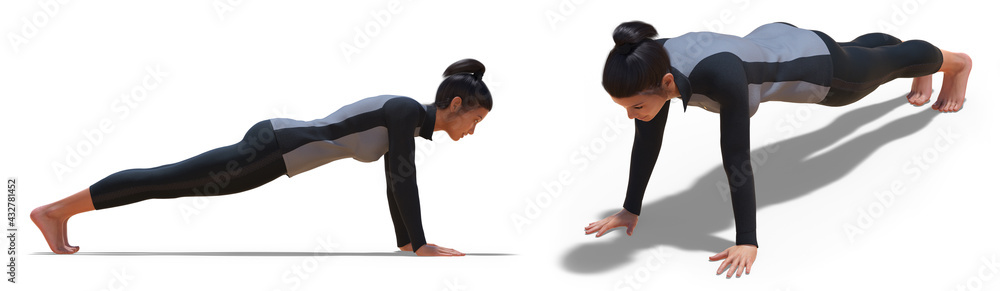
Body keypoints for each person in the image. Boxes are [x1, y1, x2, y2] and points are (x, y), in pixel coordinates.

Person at [584, 21, 971, 277]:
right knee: (869, 57)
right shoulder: (649, 59)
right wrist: (630, 208)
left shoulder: (720, 75)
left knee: (875, 68)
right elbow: (647, 136)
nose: (632, 117)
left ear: (665, 82)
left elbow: (736, 159)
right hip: (777, 39)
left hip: (817, 68)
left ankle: (953, 65)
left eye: (635, 107)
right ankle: (908, 57)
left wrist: (747, 240)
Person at [31, 59, 494, 257]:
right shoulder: (405, 112)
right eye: (475, 119)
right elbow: (401, 178)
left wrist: (408, 243)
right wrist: (421, 242)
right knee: (167, 180)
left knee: (170, 182)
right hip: (272, 148)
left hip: (275, 153)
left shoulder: (407, 121)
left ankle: (59, 212)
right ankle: (54, 211)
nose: (473, 130)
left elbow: (395, 182)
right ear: (455, 106)